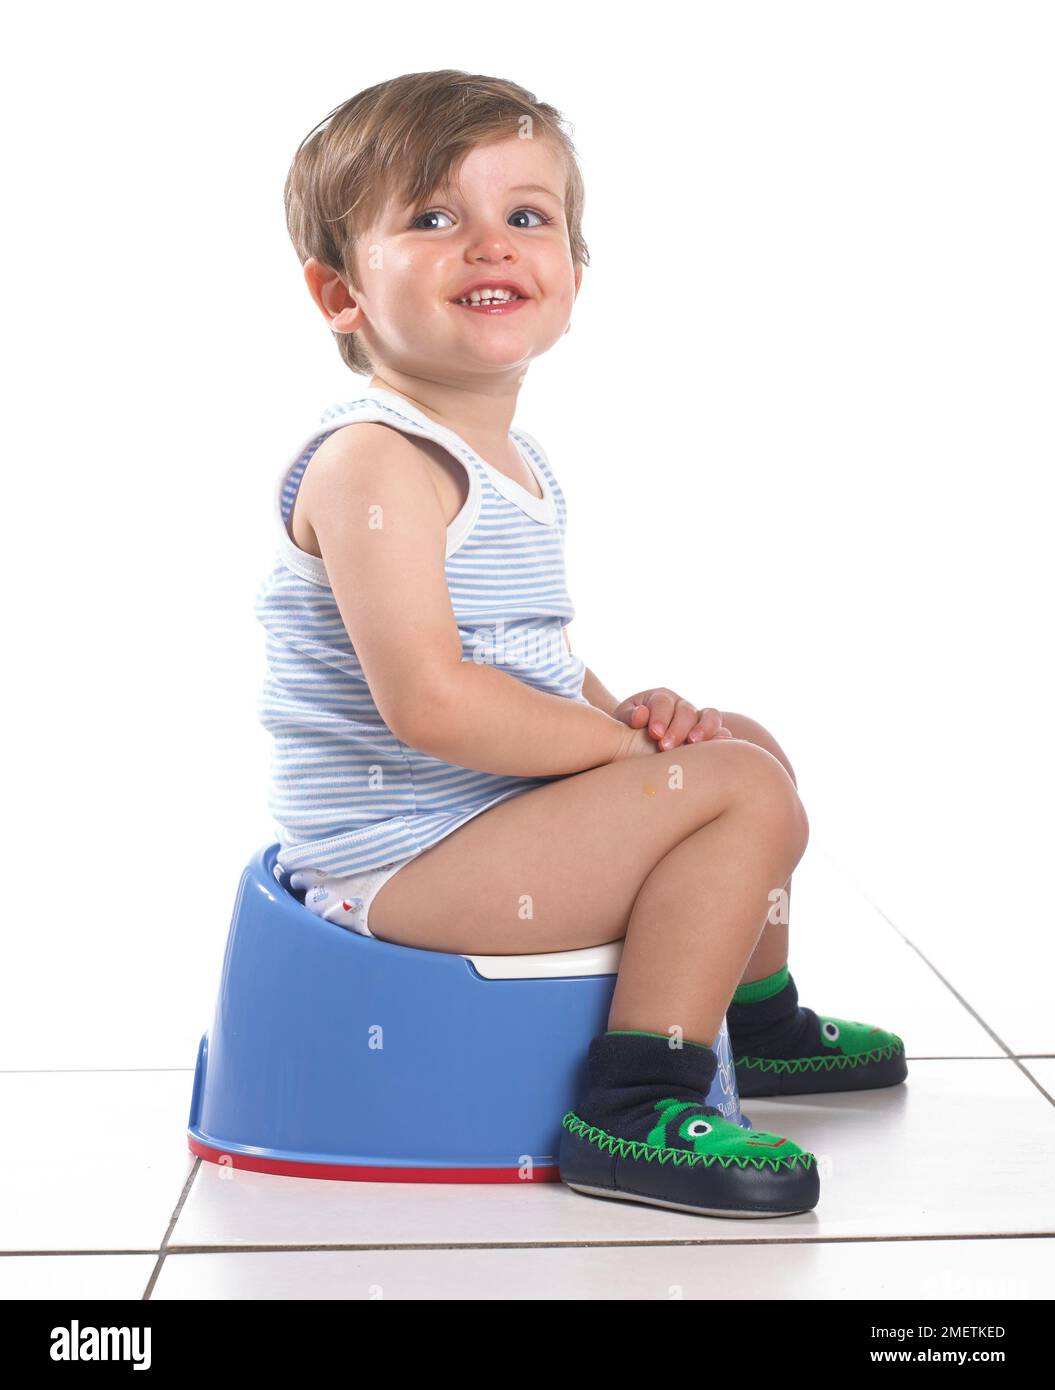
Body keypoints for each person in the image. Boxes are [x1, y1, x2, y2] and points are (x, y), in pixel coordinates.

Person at [256, 69, 906, 1218]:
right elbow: (433, 703)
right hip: (401, 861)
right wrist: (611, 759)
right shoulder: (376, 462)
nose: (487, 244)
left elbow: (522, 651)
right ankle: (634, 1099)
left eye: (524, 216)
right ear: (339, 293)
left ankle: (755, 1022)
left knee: (740, 745)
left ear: (570, 275)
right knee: (737, 794)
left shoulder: (514, 459)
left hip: (470, 820)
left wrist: (619, 718)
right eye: (431, 217)